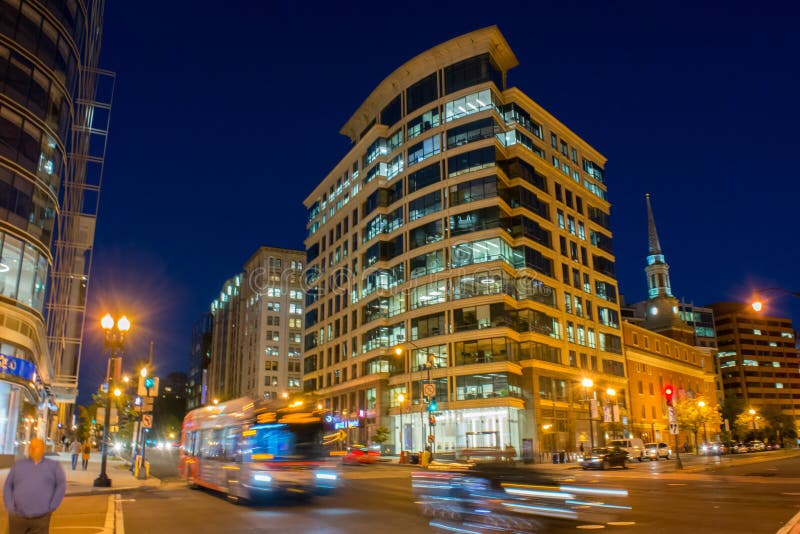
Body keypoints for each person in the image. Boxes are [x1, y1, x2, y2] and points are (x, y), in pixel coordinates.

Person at [3, 437, 66, 534]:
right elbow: (8, 486)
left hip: (41, 517)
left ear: (43, 449)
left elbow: (61, 485)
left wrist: (53, 505)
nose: (32, 449)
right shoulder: (19, 465)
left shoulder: (53, 466)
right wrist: (10, 506)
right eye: (31, 447)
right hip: (18, 517)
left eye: (35, 447)